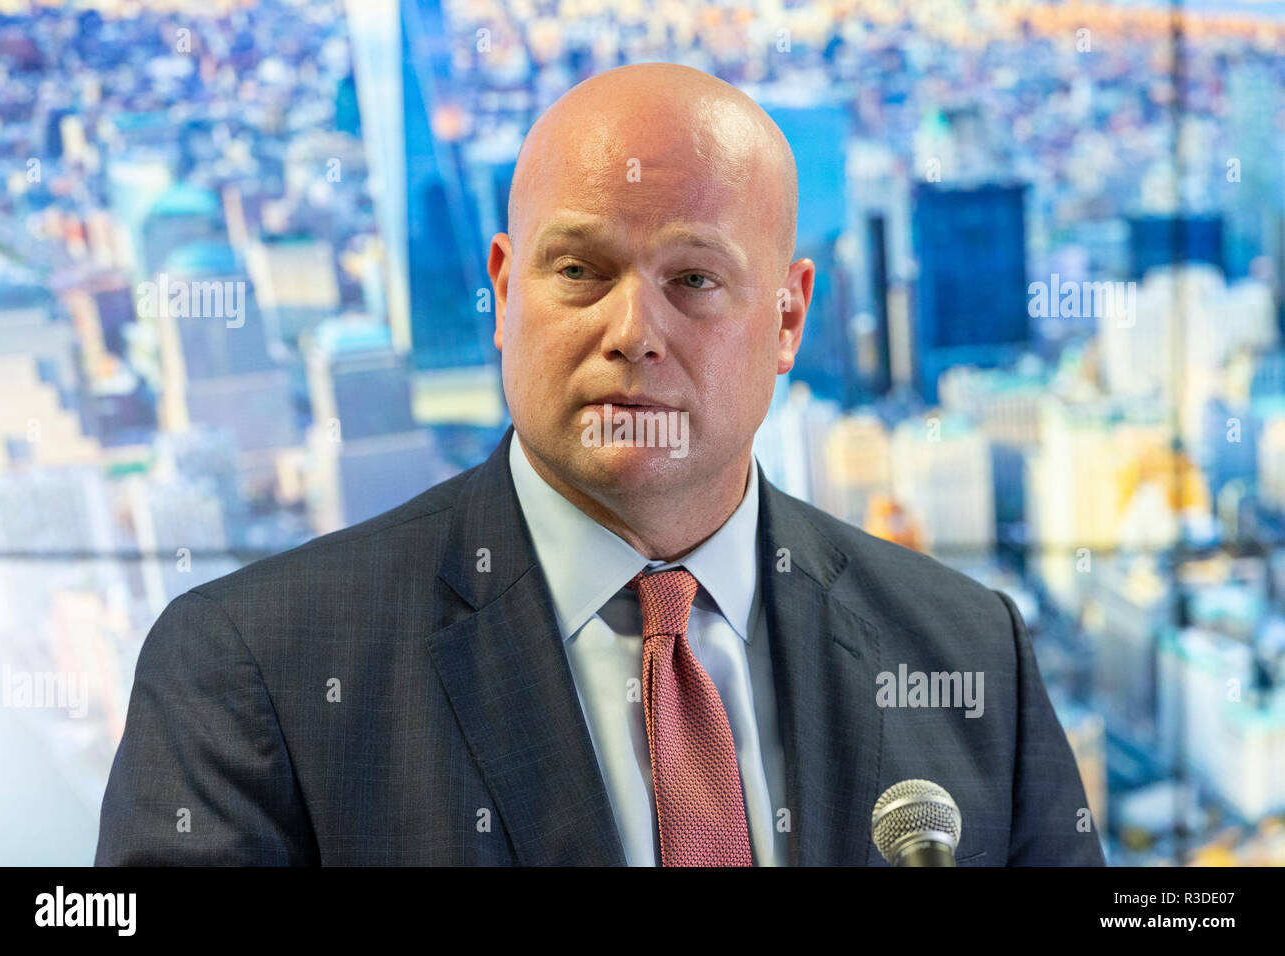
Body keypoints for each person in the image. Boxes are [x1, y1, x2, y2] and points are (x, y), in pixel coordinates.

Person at [95, 62, 1105, 866]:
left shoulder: (970, 652)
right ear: (501, 289)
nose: (633, 331)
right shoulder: (248, 670)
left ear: (790, 317)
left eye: (695, 279)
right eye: (578, 269)